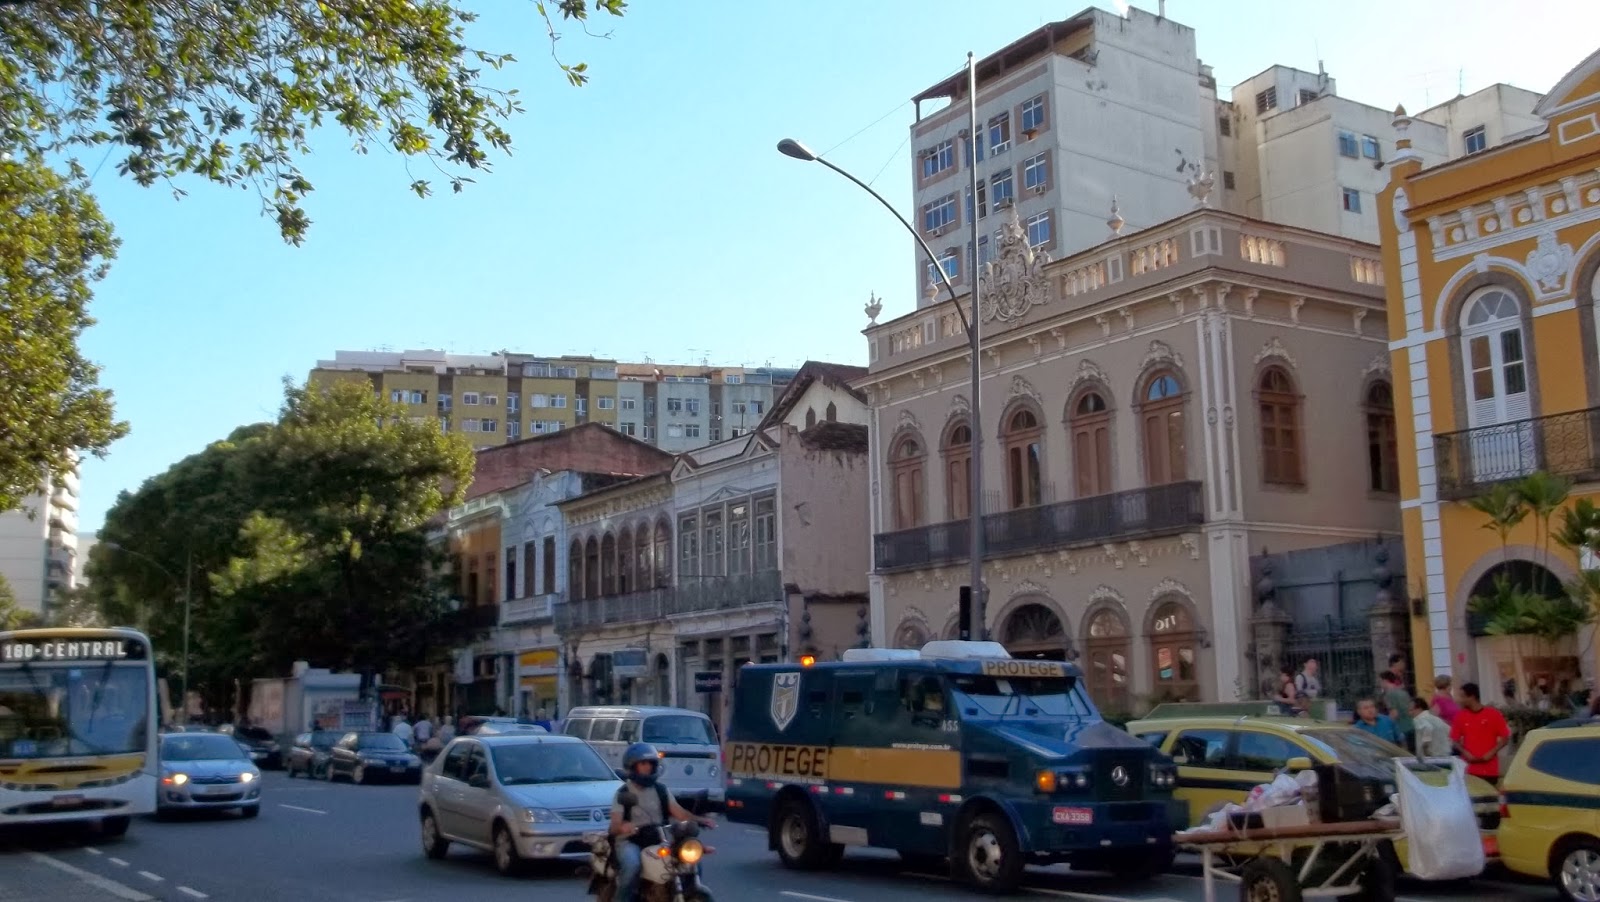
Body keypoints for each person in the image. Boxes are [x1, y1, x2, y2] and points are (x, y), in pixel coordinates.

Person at [610, 741, 714, 901]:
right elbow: (614, 825)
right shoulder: (623, 793)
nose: (647, 767)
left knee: (691, 862)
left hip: (658, 839)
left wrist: (701, 820)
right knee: (632, 866)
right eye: (643, 763)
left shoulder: (660, 790)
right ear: (632, 766)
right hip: (631, 841)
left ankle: (689, 891)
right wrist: (624, 827)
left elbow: (680, 813)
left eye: (650, 763)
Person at [1451, 682, 1511, 787]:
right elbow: (1454, 739)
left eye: (1463, 696)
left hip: (1489, 769)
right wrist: (1465, 753)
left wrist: (1491, 753)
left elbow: (1505, 737)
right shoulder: (1460, 716)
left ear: (1472, 697)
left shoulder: (1493, 714)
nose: (1460, 700)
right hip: (1469, 769)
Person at [1380, 671, 1414, 751]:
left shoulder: (1389, 694)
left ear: (1385, 681)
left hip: (1400, 729)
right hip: (1410, 726)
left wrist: (1385, 726)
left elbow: (1394, 714)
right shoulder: (1403, 692)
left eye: (1380, 681)